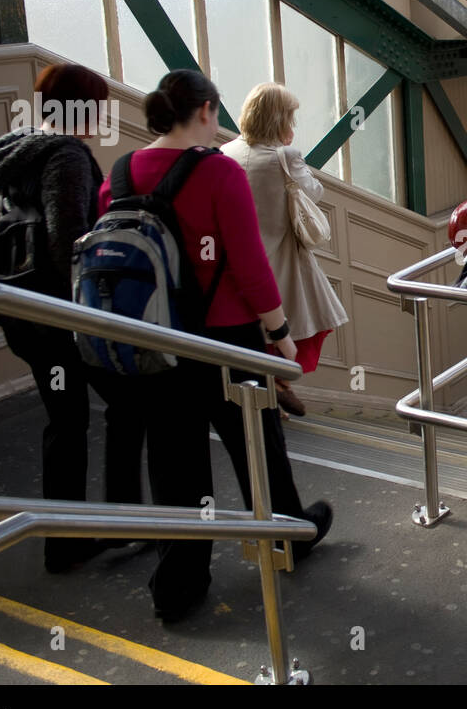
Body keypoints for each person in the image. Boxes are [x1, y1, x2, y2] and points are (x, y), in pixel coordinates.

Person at [97, 70, 331, 620]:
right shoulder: (217, 172)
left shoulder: (120, 174)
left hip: (153, 340)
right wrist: (280, 335)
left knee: (173, 461)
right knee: (256, 443)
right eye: (214, 112)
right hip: (224, 337)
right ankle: (286, 534)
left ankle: (177, 585)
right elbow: (249, 265)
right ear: (204, 111)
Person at [0, 62, 144, 574]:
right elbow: (67, 242)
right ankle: (122, 519)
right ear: (83, 107)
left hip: (22, 310)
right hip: (61, 313)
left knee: (65, 421)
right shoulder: (67, 155)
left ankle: (65, 540)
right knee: (128, 402)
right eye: (98, 106)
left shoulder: (16, 151)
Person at [222, 83, 349, 418]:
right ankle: (277, 383)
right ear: (279, 120)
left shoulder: (225, 152)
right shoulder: (285, 157)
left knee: (256, 329)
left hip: (237, 260)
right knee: (308, 322)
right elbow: (315, 193)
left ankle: (267, 387)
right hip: (283, 257)